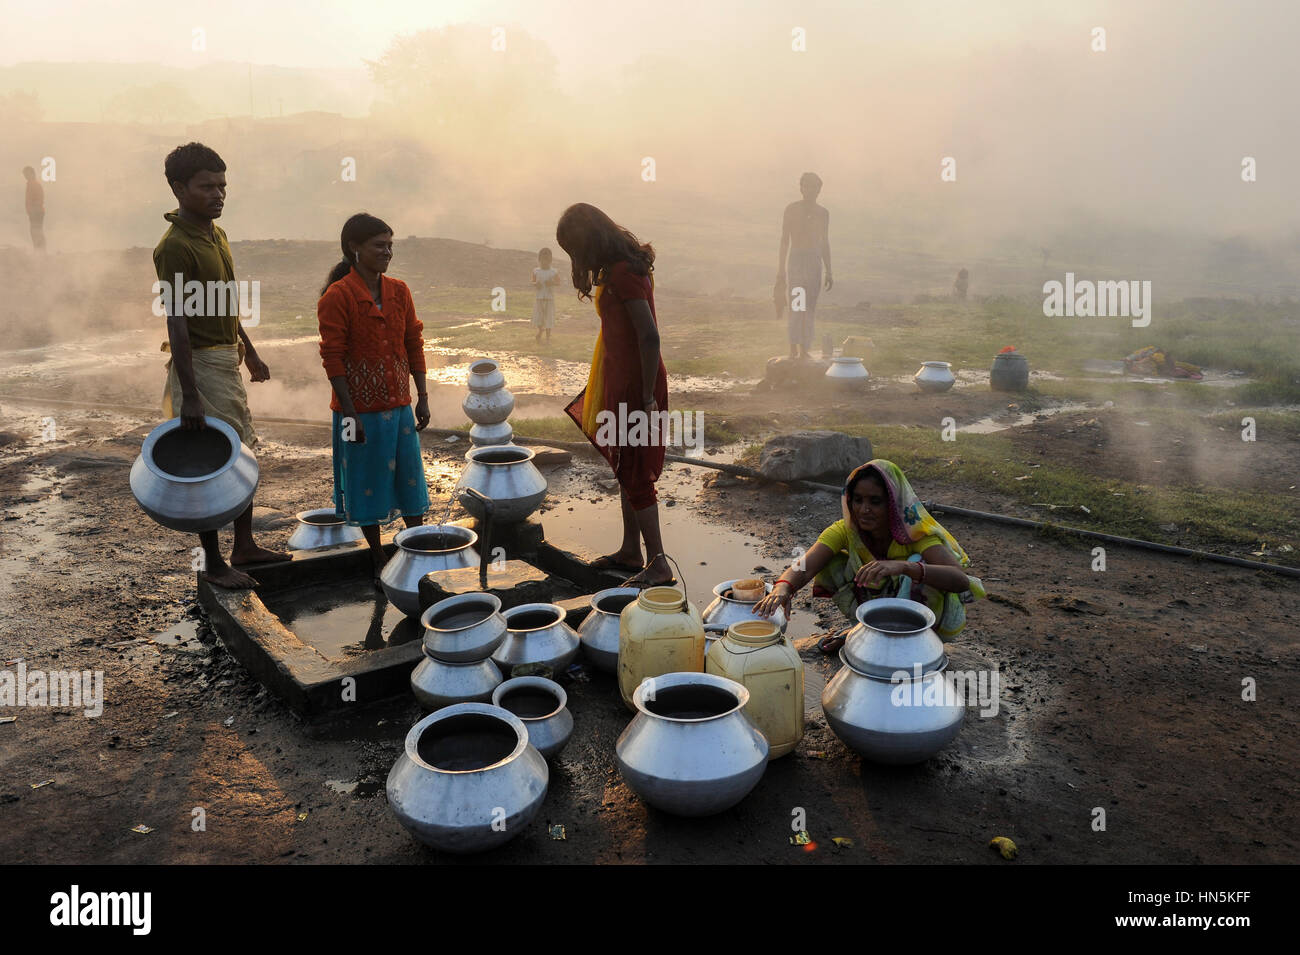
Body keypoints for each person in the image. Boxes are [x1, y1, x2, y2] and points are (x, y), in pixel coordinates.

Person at [154, 142, 285, 589]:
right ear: (178, 188)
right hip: (201, 365)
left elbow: (225, 300)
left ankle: (243, 545)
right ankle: (212, 564)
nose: (218, 194)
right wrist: (190, 394)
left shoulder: (216, 235)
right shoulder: (174, 247)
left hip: (225, 357)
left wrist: (249, 349)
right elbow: (176, 319)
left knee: (240, 451)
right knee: (213, 459)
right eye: (206, 186)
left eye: (222, 186)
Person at [558, 202, 673, 588]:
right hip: (622, 379)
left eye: (575, 249)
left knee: (637, 472)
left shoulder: (624, 273)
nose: (576, 258)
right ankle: (630, 551)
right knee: (625, 467)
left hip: (637, 385)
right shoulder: (619, 268)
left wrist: (645, 395)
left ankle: (658, 564)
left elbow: (650, 335)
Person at [754, 459, 985, 651]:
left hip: (929, 624)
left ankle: (910, 648)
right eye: (858, 500)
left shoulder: (915, 532)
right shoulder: (845, 530)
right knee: (831, 562)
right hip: (881, 610)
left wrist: (903, 567)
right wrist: (783, 588)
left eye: (875, 502)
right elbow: (804, 566)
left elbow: (960, 579)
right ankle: (866, 632)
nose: (864, 509)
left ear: (892, 504)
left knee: (917, 564)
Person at [317, 213, 431, 583]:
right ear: (355, 249)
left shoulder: (399, 291)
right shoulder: (338, 296)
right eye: (379, 246)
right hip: (358, 412)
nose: (387, 252)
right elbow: (333, 356)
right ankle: (378, 557)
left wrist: (422, 395)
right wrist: (351, 414)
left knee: (410, 479)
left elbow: (413, 341)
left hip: (398, 405)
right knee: (367, 483)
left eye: (390, 245)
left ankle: (416, 549)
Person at [776, 172, 832, 359]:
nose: (811, 190)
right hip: (797, 261)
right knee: (797, 304)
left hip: (814, 262)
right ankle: (793, 347)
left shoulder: (823, 213)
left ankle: (804, 348)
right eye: (807, 186)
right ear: (801, 188)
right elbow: (785, 240)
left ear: (819, 190)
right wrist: (781, 271)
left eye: (815, 187)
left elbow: (825, 242)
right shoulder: (791, 210)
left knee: (809, 306)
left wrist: (829, 270)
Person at [531, 247, 558, 345]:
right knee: (539, 317)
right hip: (539, 298)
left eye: (547, 260)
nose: (544, 262)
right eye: (542, 260)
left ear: (550, 261)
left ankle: (547, 338)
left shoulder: (553, 272)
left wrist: (551, 283)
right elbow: (533, 281)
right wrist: (535, 284)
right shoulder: (536, 271)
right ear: (539, 260)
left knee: (549, 318)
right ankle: (540, 331)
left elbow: (558, 282)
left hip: (549, 298)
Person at [23, 166, 45, 251]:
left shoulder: (35, 184)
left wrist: (33, 210)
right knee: (34, 232)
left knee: (37, 231)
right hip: (34, 212)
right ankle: (38, 250)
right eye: (25, 175)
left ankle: (41, 251)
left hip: (37, 212)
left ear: (32, 174)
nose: (25, 176)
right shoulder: (30, 184)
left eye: (27, 174)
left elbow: (40, 199)